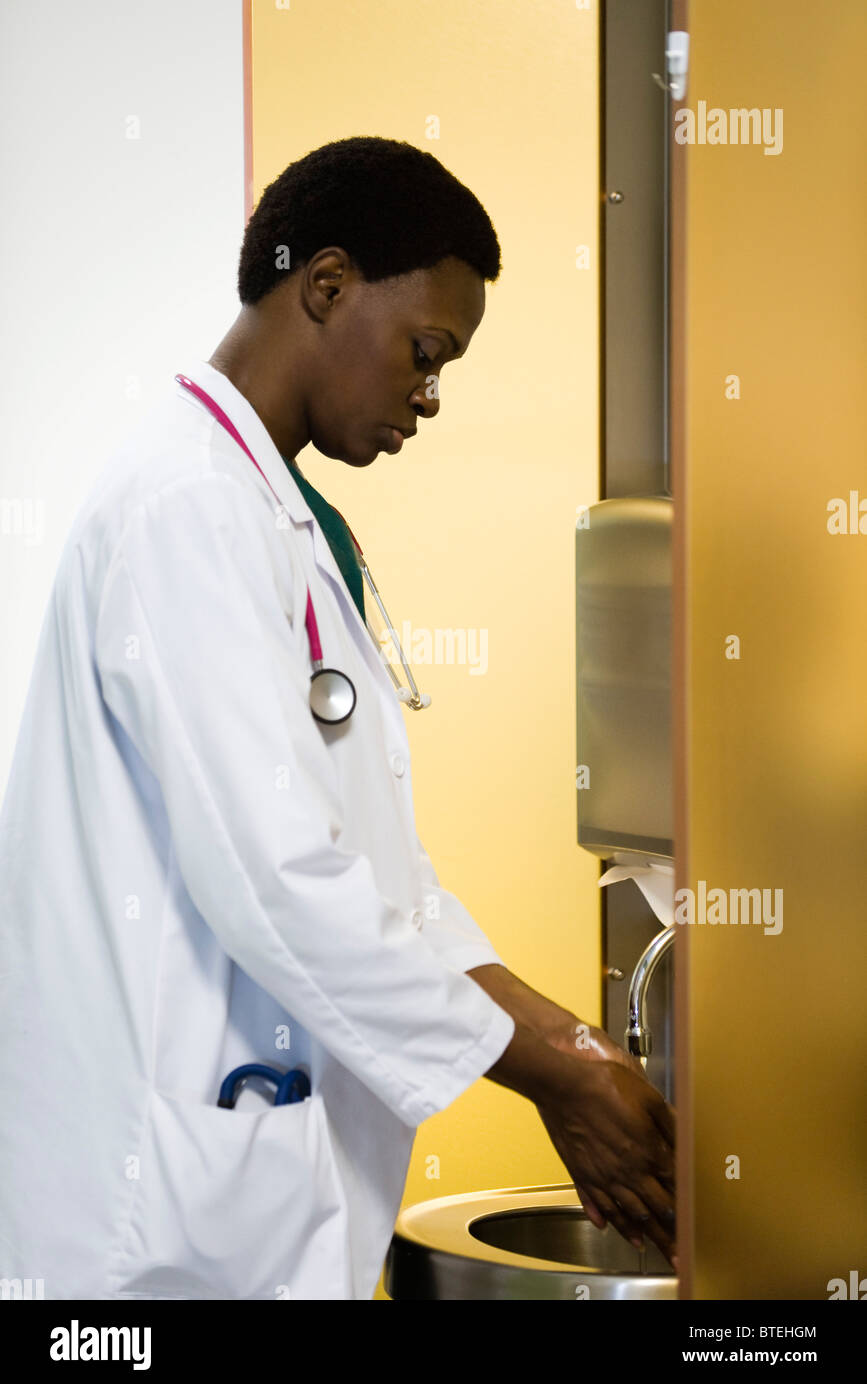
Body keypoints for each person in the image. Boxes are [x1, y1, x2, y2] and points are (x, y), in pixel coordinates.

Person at [0, 135, 675, 1301]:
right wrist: (554, 1079)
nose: (431, 393)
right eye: (426, 352)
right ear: (325, 284)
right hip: (145, 1236)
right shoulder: (187, 508)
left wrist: (572, 1043)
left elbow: (383, 890)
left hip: (228, 1203)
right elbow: (281, 881)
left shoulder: (278, 519)